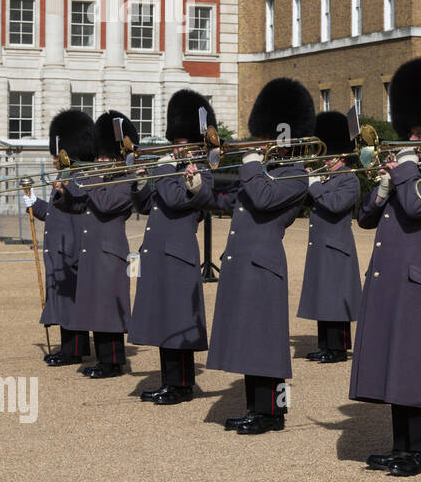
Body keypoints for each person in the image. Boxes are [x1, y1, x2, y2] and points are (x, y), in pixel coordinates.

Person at [349, 58, 421, 476]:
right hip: (389, 277)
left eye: (420, 134)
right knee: (395, 361)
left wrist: (403, 172)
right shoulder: (408, 173)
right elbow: (365, 220)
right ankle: (402, 445)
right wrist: (381, 188)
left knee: (418, 363)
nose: (412, 139)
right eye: (411, 132)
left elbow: (418, 206)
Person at [207, 78, 316, 435]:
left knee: (269, 342)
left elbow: (263, 198)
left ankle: (275, 412)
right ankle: (258, 407)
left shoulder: (296, 175)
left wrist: (252, 162)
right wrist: (199, 183)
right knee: (250, 338)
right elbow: (231, 200)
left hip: (264, 262)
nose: (263, 142)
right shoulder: (265, 171)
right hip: (243, 260)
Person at [130, 90, 216, 404]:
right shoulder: (173, 170)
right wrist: (139, 183)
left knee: (178, 320)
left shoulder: (202, 170)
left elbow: (174, 198)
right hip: (158, 253)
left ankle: (181, 385)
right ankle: (169, 381)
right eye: (175, 142)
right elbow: (149, 204)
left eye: (182, 143)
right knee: (163, 319)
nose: (177, 147)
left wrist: (164, 167)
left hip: (178, 255)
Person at [65, 111, 139, 379]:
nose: (101, 160)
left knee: (109, 309)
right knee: (96, 306)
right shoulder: (102, 179)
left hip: (110, 251)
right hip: (94, 250)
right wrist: (63, 194)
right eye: (100, 156)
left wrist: (91, 179)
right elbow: (80, 207)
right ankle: (104, 359)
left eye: (105, 156)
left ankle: (114, 362)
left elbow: (108, 204)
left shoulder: (125, 178)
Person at [26, 109, 95, 367]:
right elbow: (57, 213)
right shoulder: (65, 175)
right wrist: (35, 204)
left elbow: (74, 210)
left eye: (57, 152)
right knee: (64, 299)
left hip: (71, 246)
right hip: (59, 247)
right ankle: (70, 349)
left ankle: (74, 350)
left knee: (71, 302)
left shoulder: (80, 177)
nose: (54, 158)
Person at [299, 111, 362, 365]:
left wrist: (314, 185)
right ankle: (325, 344)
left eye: (328, 155)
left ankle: (337, 348)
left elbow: (335, 205)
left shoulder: (349, 179)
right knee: (324, 296)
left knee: (336, 298)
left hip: (337, 247)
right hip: (322, 245)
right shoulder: (329, 176)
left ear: (340, 155)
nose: (324, 159)